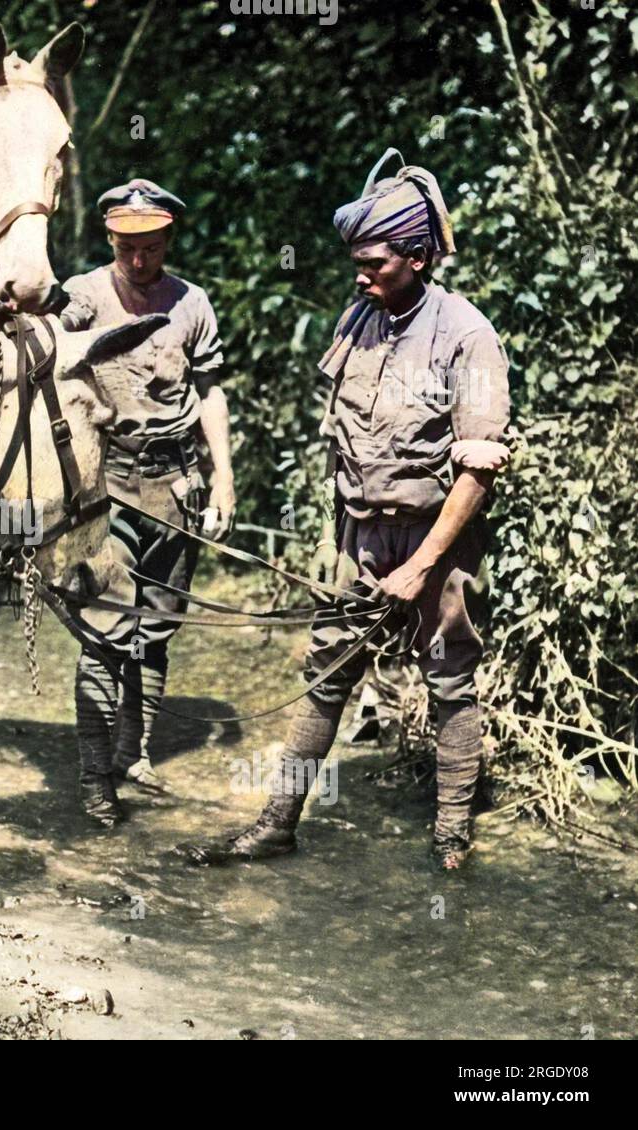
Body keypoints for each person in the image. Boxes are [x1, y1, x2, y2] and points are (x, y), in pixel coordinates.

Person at [186, 149, 511, 871]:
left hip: (439, 542)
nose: (362, 276)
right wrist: (354, 550)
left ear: (420, 256)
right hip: (358, 537)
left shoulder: (468, 335)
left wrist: (422, 567)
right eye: (356, 262)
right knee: (326, 673)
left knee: (451, 678)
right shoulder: (357, 319)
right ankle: (277, 823)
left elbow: (477, 473)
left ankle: (453, 839)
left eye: (377, 263)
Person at [60, 178, 236, 825]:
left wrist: (224, 480)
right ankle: (94, 780)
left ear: (168, 239)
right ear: (111, 239)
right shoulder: (82, 298)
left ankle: (135, 755)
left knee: (157, 627)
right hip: (105, 484)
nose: (139, 260)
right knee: (105, 632)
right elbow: (45, 356)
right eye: (128, 247)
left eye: (152, 246)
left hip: (175, 483)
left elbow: (211, 393)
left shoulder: (193, 305)